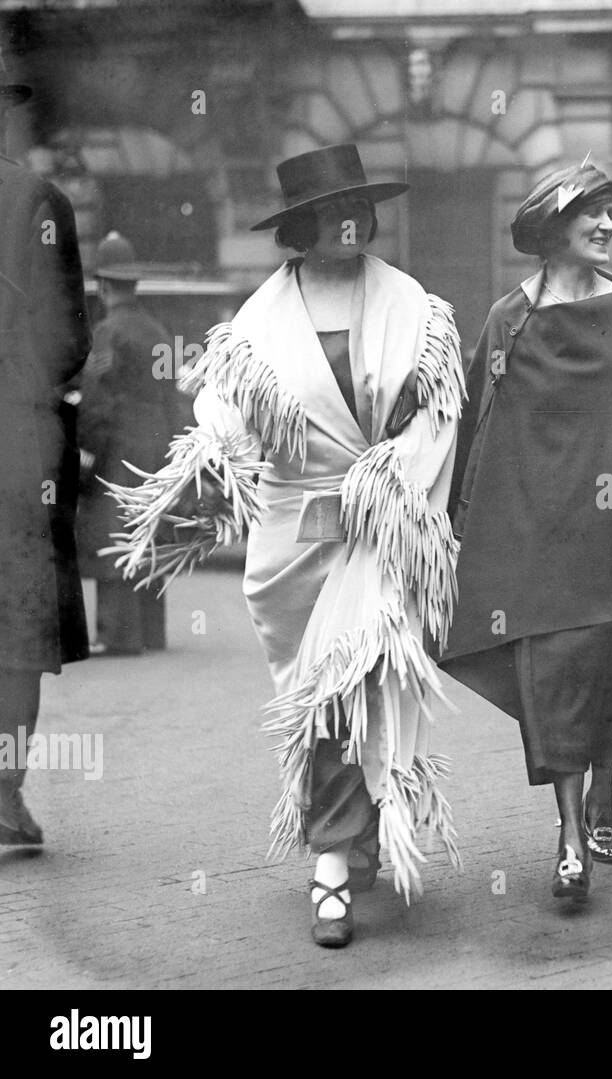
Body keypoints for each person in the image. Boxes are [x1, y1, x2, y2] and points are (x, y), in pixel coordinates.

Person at [103, 144, 464, 947]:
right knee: (322, 702)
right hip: (293, 542)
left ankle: (330, 868)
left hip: (379, 527)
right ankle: (351, 832)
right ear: (302, 224)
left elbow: (437, 417)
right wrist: (202, 472)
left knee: (355, 687)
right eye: (333, 208)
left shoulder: (414, 308)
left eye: (359, 205)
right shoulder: (257, 326)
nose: (351, 219)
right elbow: (224, 420)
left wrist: (389, 475)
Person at [440, 161, 612, 901]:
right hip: (537, 535)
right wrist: (457, 526)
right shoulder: (507, 320)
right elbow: (474, 429)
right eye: (593, 212)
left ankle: (603, 798)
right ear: (554, 225)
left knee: (610, 665)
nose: (610, 224)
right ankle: (571, 833)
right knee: (555, 676)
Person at [0, 64, 91, 846]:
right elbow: (69, 343)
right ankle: (2, 796)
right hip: (16, 449)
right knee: (16, 632)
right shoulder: (40, 203)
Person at [77, 231, 183, 654]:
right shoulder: (160, 332)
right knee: (150, 532)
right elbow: (174, 392)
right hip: (158, 441)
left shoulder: (106, 332)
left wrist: (88, 451)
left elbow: (96, 398)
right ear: (133, 284)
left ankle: (118, 635)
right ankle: (152, 633)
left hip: (118, 444)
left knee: (113, 531)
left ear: (103, 286)